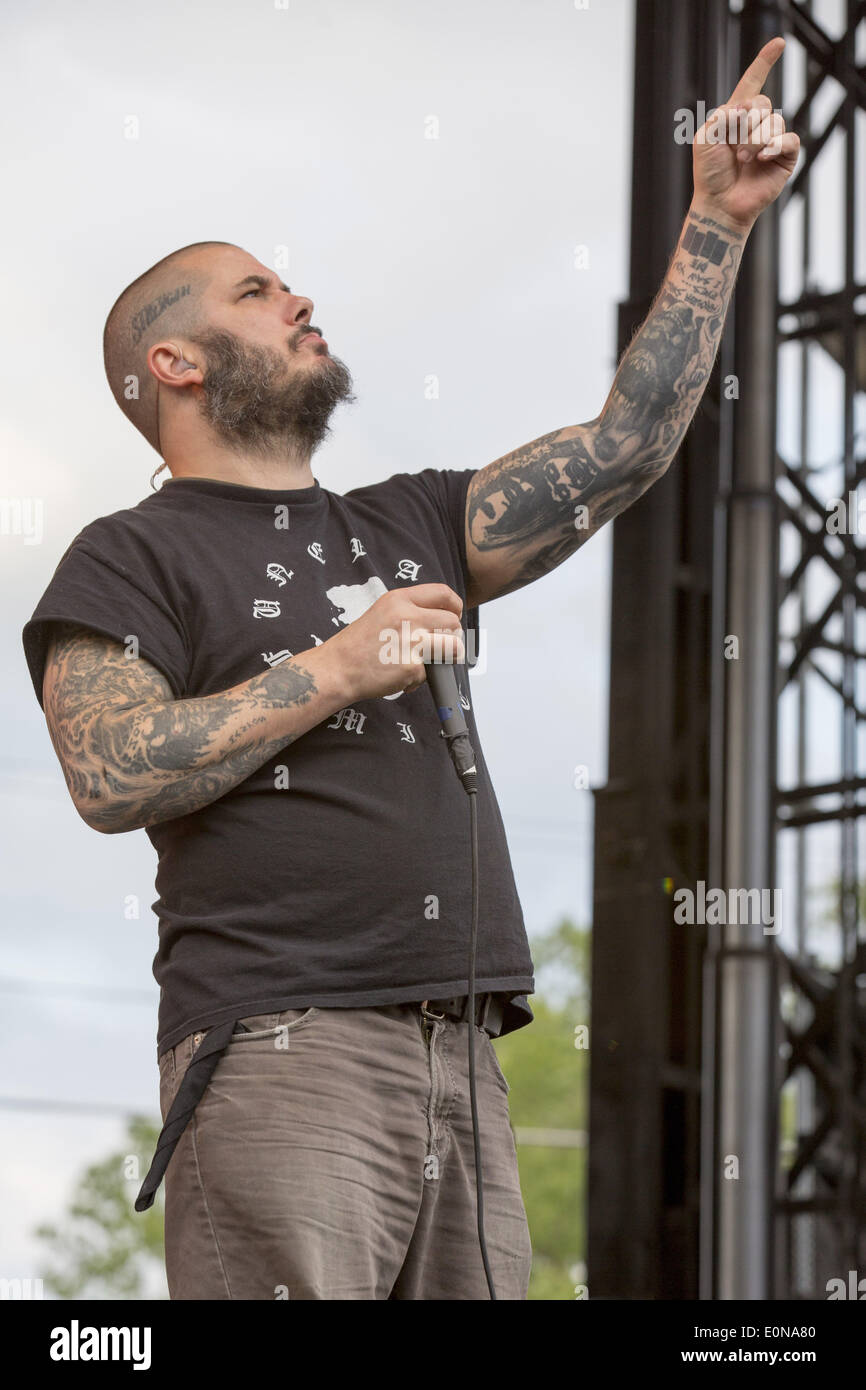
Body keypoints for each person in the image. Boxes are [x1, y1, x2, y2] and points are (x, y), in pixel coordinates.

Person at [21, 37, 798, 1300]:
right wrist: (332, 667)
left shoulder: (409, 518)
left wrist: (711, 223)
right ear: (176, 362)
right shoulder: (128, 557)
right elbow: (109, 776)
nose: (299, 300)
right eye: (257, 292)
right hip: (284, 1044)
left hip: (464, 1051)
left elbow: (623, 447)